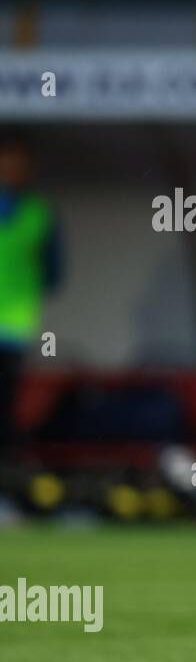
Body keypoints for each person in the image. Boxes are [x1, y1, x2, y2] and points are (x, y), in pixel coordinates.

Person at [0, 134, 63, 515]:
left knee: (5, 418)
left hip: (13, 331)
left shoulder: (39, 214)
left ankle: (6, 496)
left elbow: (53, 273)